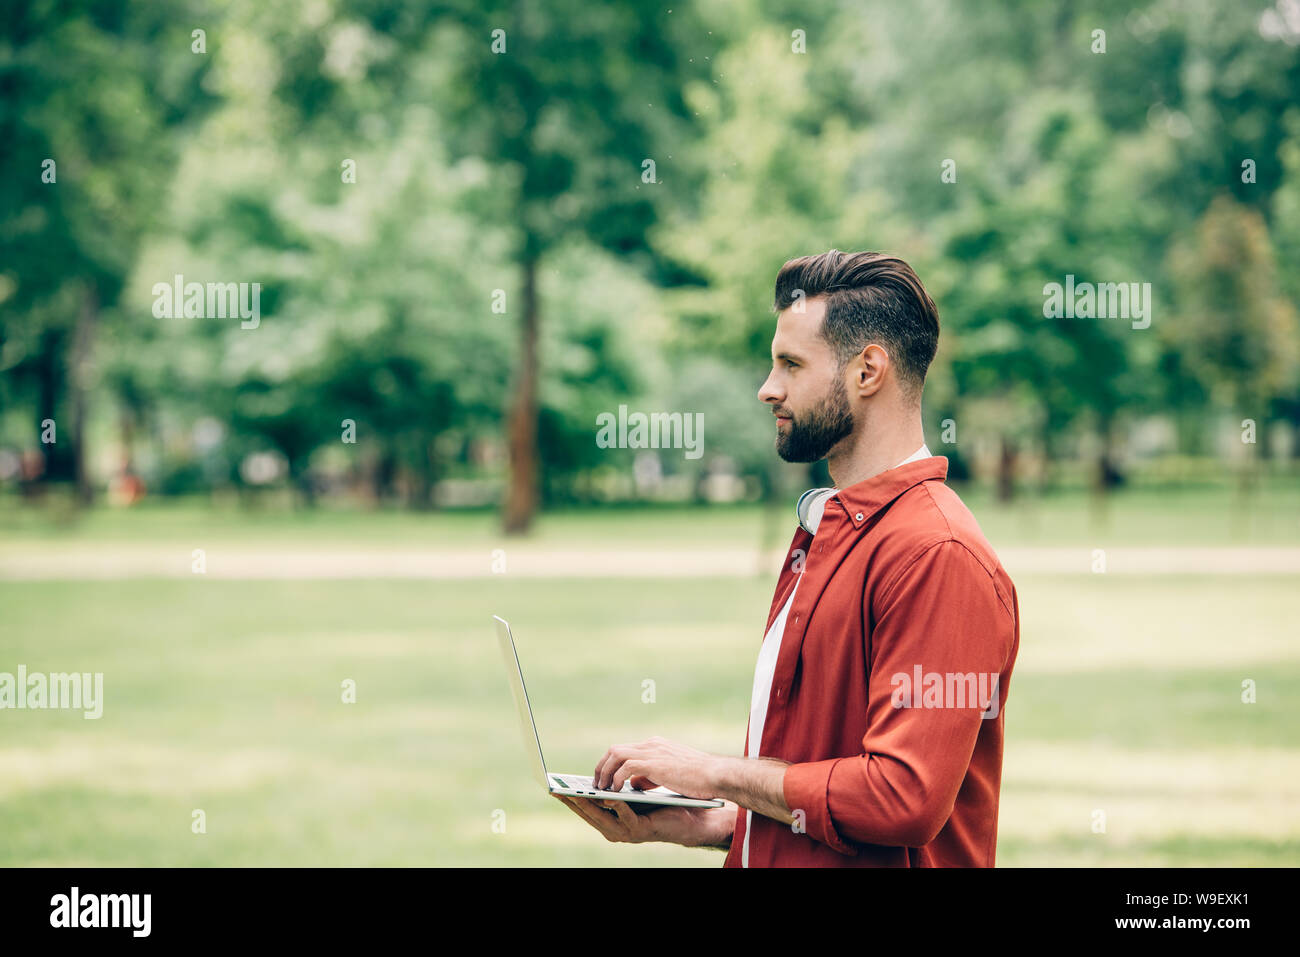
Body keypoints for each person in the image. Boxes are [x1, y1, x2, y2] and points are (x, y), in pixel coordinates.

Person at [557, 250, 1020, 866]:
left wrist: (715, 773)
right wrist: (716, 824)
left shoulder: (937, 556)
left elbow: (903, 798)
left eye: (790, 364)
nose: (766, 388)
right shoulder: (834, 529)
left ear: (868, 370)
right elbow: (823, 791)